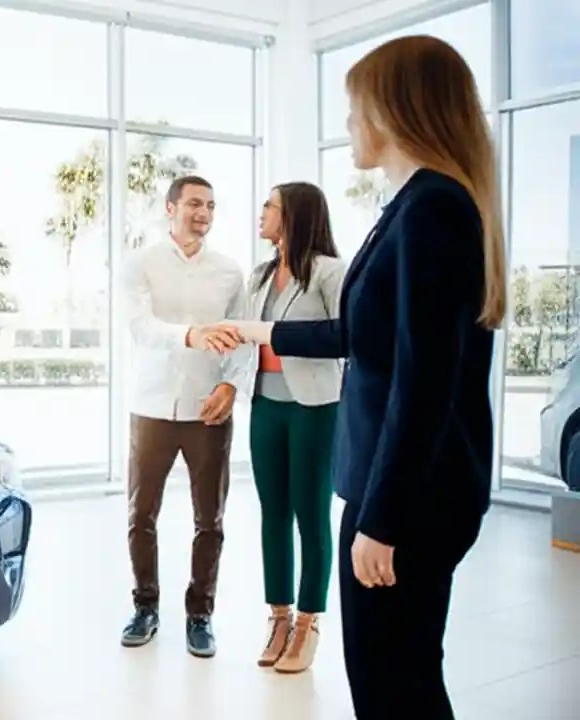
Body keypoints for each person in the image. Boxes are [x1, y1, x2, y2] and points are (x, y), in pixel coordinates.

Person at [209, 35, 504, 718]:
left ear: (395, 110)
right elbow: (358, 335)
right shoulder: (415, 206)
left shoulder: (432, 210)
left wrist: (384, 519)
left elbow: (422, 382)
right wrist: (262, 331)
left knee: (392, 681)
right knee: (397, 672)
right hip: (401, 489)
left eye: (354, 109)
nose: (348, 126)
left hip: (408, 499)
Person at [120, 175, 253, 658]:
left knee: (210, 520)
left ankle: (201, 614)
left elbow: (242, 340)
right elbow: (140, 327)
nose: (204, 213)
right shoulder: (141, 264)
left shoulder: (229, 272)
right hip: (152, 407)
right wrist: (190, 335)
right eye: (195, 203)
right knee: (141, 515)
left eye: (211, 206)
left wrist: (230, 385)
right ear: (171, 207)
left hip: (208, 411)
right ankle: (145, 607)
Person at [247, 182, 344, 674]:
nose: (261, 213)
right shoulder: (261, 275)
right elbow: (245, 334)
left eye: (270, 206)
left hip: (313, 409)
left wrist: (276, 335)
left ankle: (308, 623)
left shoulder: (329, 271)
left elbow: (345, 338)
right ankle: (279, 618)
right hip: (265, 404)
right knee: (273, 514)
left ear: (295, 216)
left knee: (311, 515)